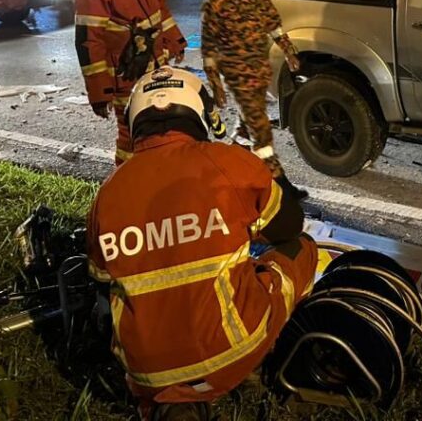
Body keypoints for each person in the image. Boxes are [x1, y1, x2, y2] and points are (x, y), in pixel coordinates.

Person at [87, 66, 317, 421]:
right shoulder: (228, 163)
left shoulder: (108, 193)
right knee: (301, 249)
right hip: (230, 353)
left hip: (147, 373)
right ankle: (274, 351)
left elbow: (102, 281)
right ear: (198, 113)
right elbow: (289, 225)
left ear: (135, 119)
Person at [74, 0, 187, 166]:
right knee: (131, 134)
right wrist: (100, 92)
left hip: (156, 63)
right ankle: (126, 186)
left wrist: (176, 41)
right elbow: (90, 41)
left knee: (160, 125)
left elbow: (160, 10)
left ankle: (158, 179)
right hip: (126, 72)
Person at [201, 0, 303, 187]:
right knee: (261, 128)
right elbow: (209, 48)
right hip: (238, 74)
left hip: (259, 66)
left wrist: (289, 51)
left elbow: (272, 21)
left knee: (248, 123)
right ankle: (279, 183)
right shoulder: (215, 5)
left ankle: (227, 161)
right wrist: (215, 82)